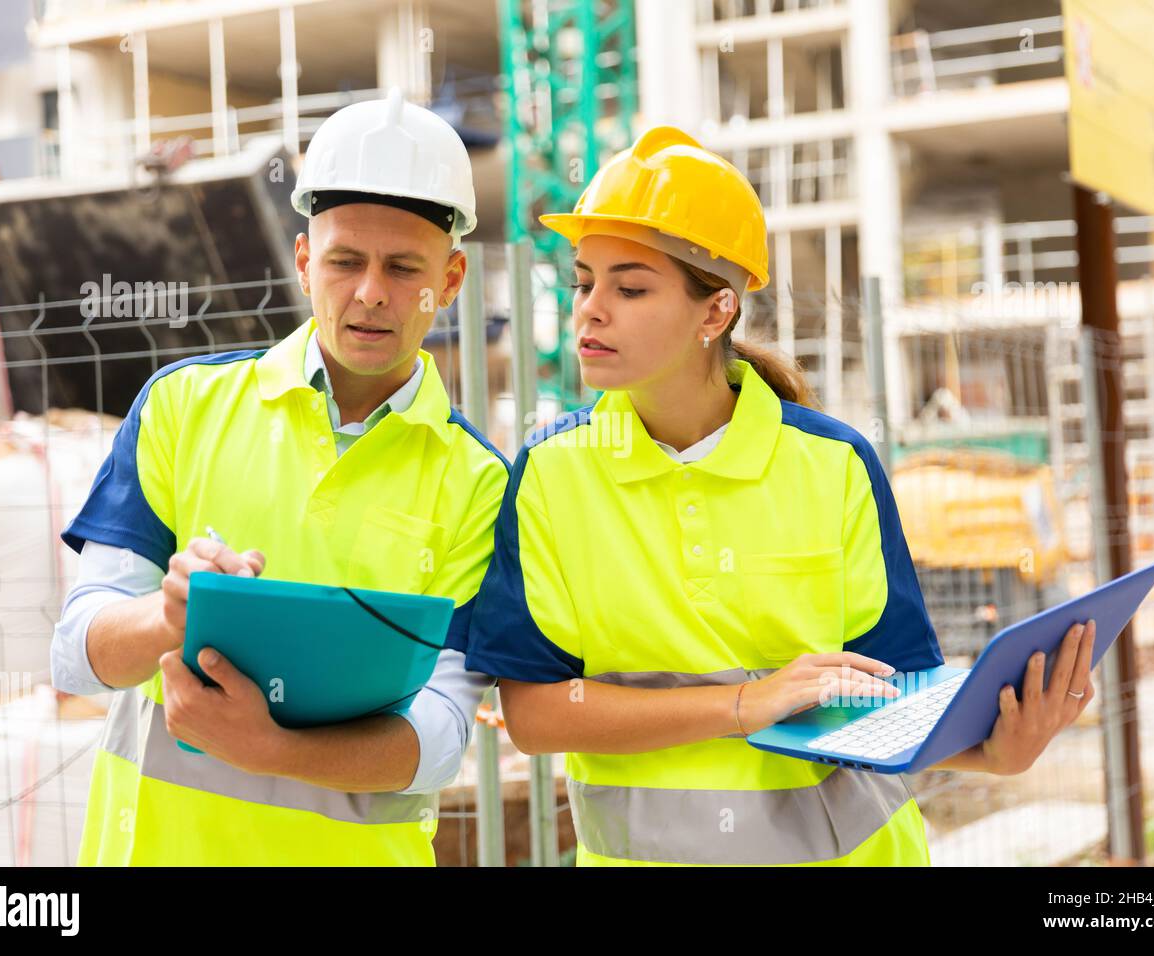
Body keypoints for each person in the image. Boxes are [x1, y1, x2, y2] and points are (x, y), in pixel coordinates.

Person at [464, 126, 1098, 866]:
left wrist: (994, 754)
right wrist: (740, 706)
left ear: (716, 312)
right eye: (584, 280)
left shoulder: (833, 464)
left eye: (629, 286)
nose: (590, 309)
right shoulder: (549, 474)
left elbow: (887, 691)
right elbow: (537, 714)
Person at [50, 89, 508, 866]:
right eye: (344, 261)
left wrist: (276, 750)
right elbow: (75, 652)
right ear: (303, 262)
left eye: (403, 268)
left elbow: (444, 732)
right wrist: (170, 618)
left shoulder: (479, 484)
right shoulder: (183, 408)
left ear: (452, 278)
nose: (370, 292)